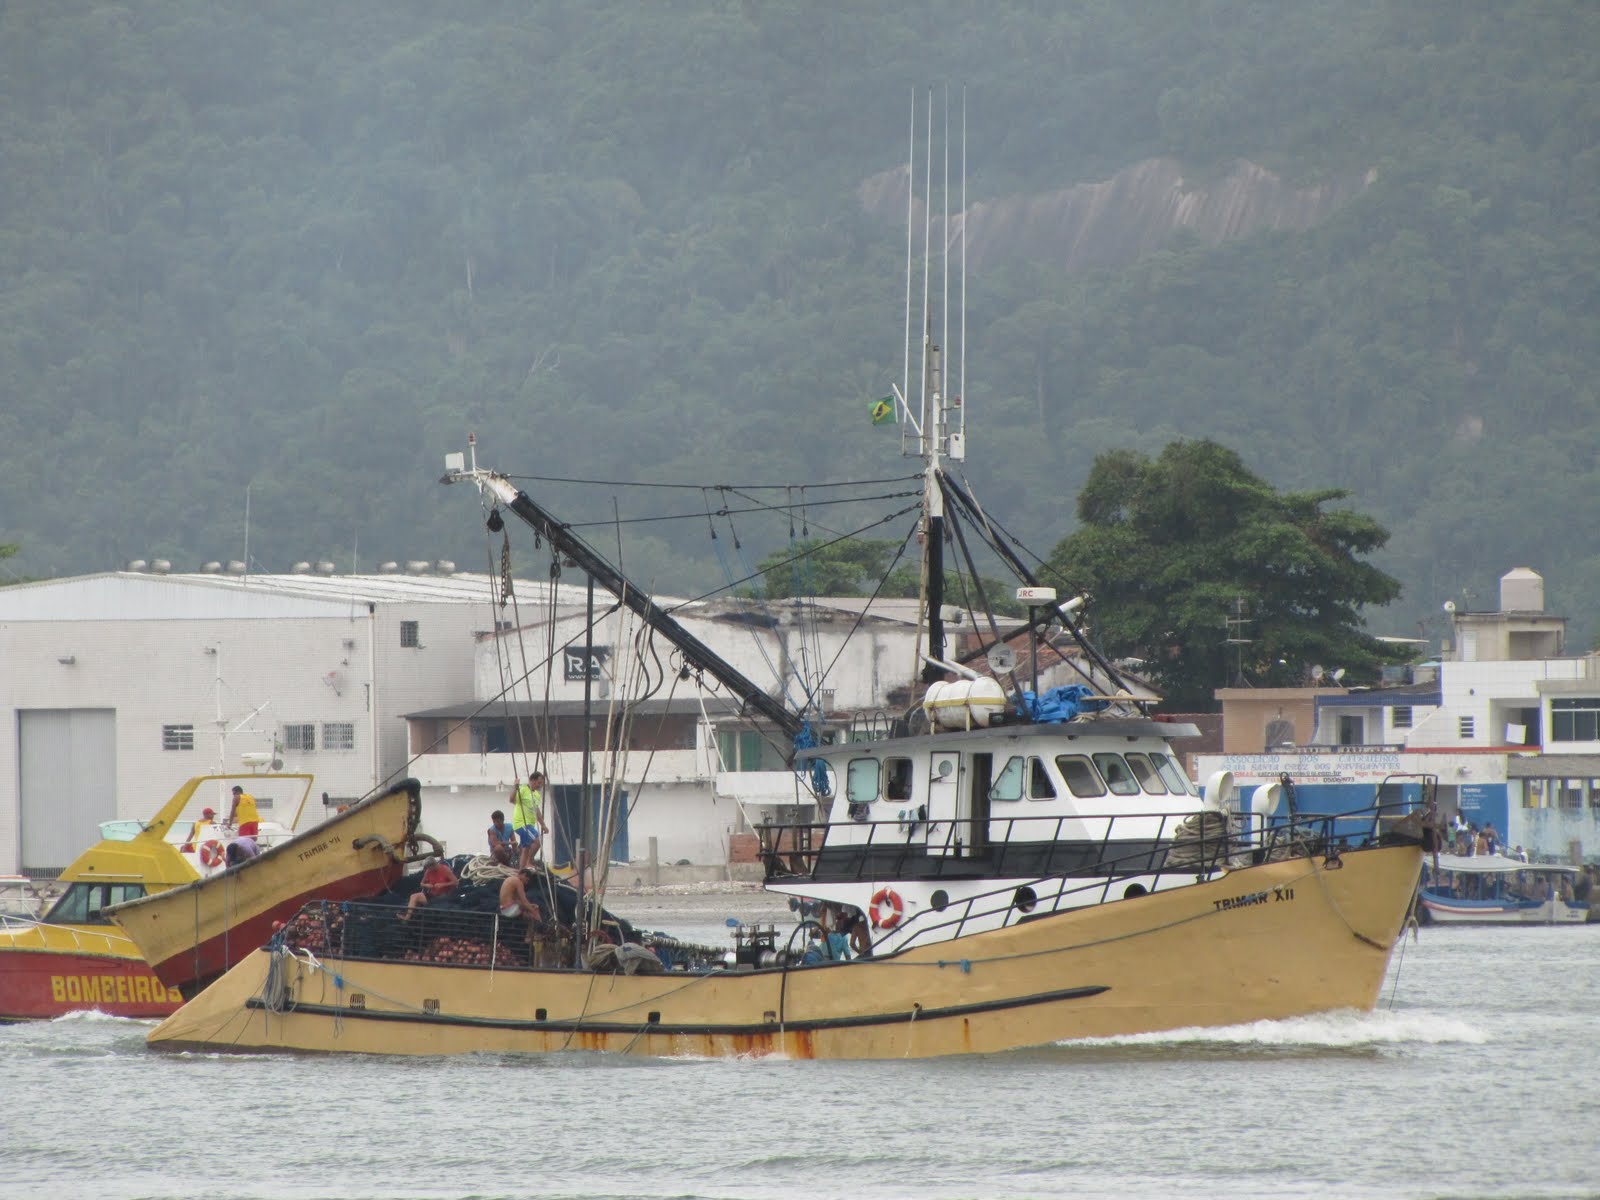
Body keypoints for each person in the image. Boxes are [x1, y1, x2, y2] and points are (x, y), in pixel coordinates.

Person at [510, 771, 548, 870]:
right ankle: (529, 862)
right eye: (539, 783)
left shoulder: (536, 795)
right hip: (522, 824)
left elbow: (537, 811)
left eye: (541, 783)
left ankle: (521, 868)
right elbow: (512, 800)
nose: (540, 786)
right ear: (532, 781)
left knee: (525, 848)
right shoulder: (523, 789)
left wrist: (543, 825)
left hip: (530, 824)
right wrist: (515, 787)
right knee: (537, 841)